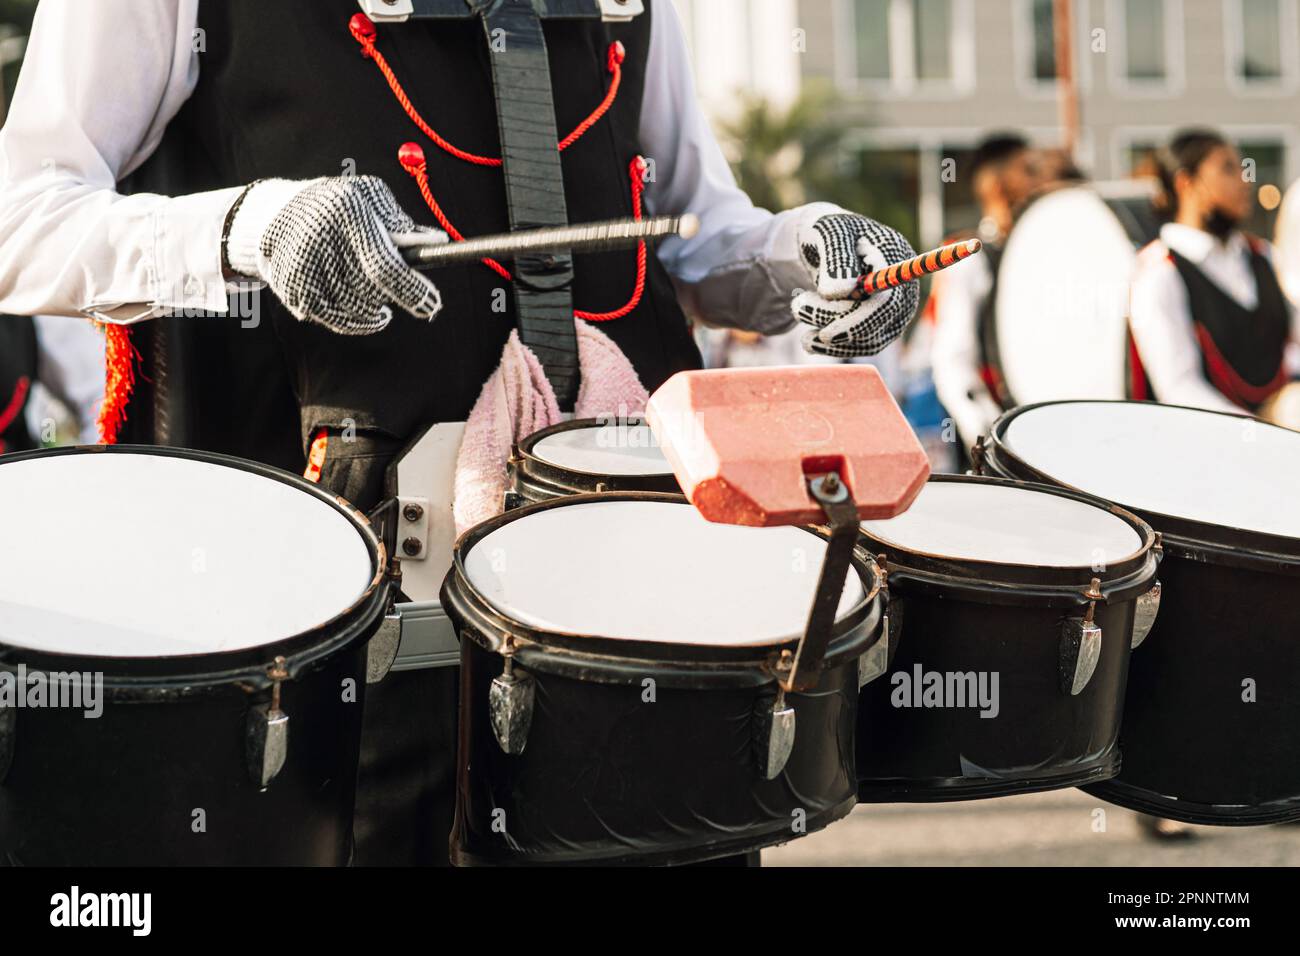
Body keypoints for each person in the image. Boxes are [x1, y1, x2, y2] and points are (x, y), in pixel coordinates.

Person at [0, 0, 921, 866]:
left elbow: (699, 230)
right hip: (332, 592)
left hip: (644, 565)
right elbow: (20, 220)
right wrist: (248, 227)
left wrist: (806, 257)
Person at [1128, 129, 1299, 414]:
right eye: (1228, 169)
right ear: (1187, 183)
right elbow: (1180, 389)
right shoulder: (1159, 273)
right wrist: (1265, 431)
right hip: (1208, 444)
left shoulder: (1263, 255)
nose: (1246, 181)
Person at [930, 134, 1044, 453]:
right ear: (994, 184)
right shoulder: (969, 257)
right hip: (999, 438)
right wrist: (983, 433)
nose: (1041, 179)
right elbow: (952, 359)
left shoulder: (1040, 254)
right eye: (1029, 169)